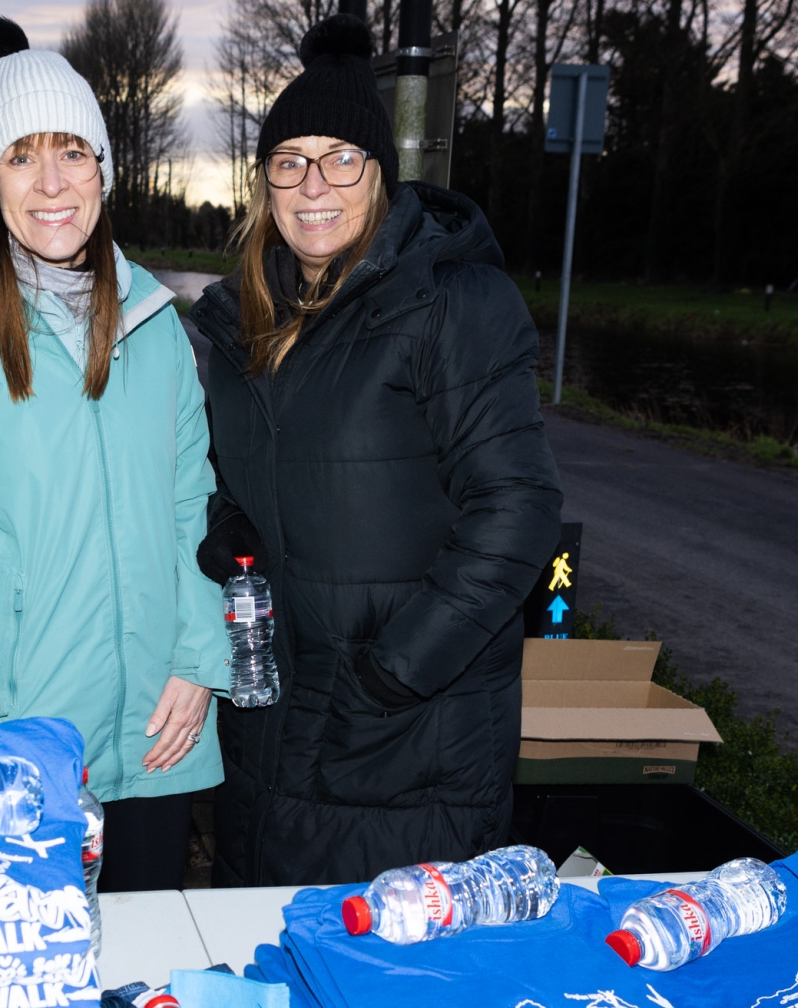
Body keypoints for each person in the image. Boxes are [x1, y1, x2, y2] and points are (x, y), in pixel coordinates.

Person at [189, 15, 564, 886]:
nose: (314, 184)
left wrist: (394, 673)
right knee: (266, 949)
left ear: (381, 173)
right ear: (265, 184)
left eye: (341, 159)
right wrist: (229, 525)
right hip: (271, 720)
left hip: (405, 743)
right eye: (290, 161)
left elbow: (519, 508)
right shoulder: (248, 322)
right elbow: (240, 475)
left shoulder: (451, 303)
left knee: (380, 953)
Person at [0, 17, 227, 892]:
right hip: (17, 750)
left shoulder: (155, 327)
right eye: (21, 156)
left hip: (156, 732)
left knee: (150, 964)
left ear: (102, 170)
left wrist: (199, 661)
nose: (51, 183)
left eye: (72, 152)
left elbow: (193, 502)